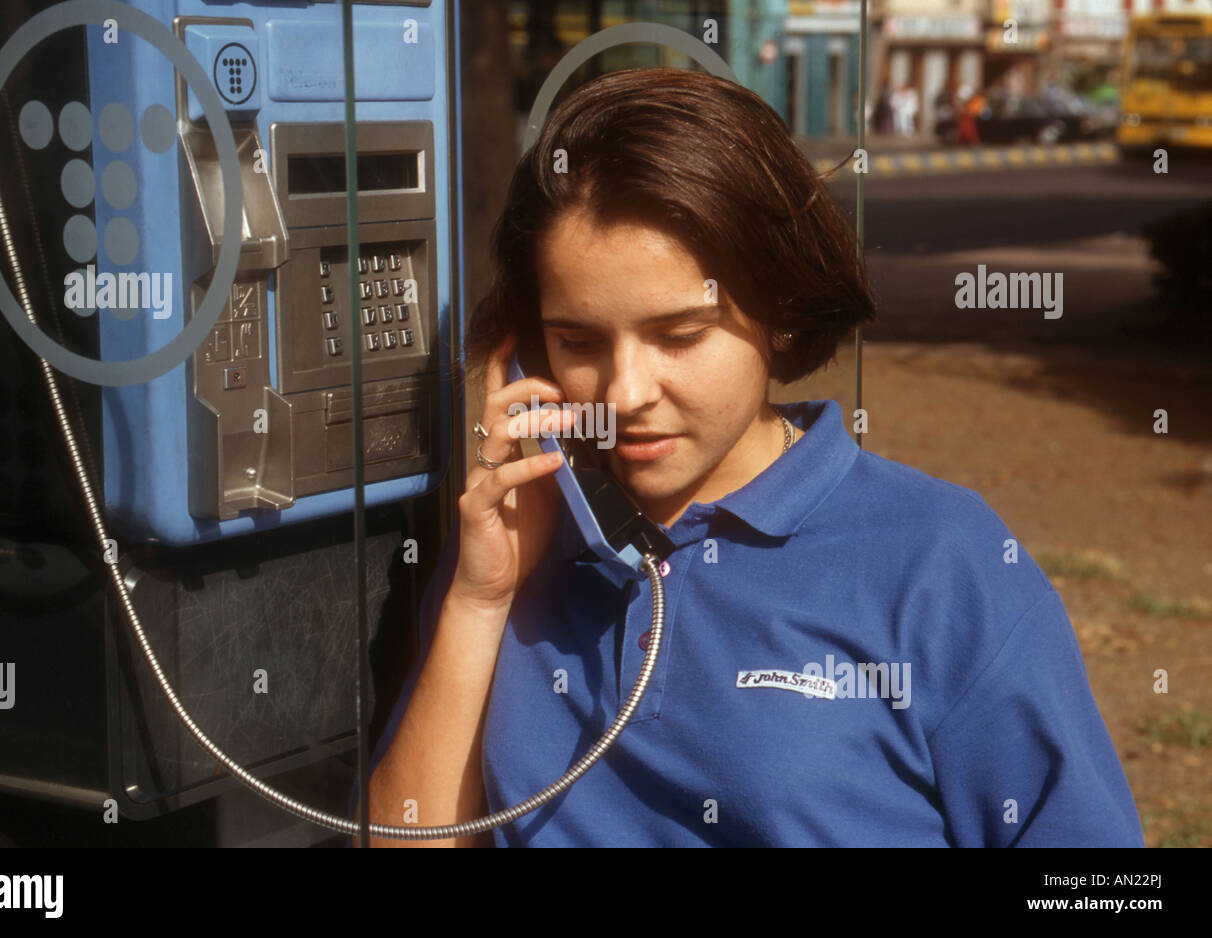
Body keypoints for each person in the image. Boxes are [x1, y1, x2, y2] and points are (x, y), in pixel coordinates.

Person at [352, 67, 1144, 847]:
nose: (625, 393)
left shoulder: (937, 557)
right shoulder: (520, 542)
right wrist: (481, 602)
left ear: (780, 313)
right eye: (578, 341)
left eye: (680, 336)